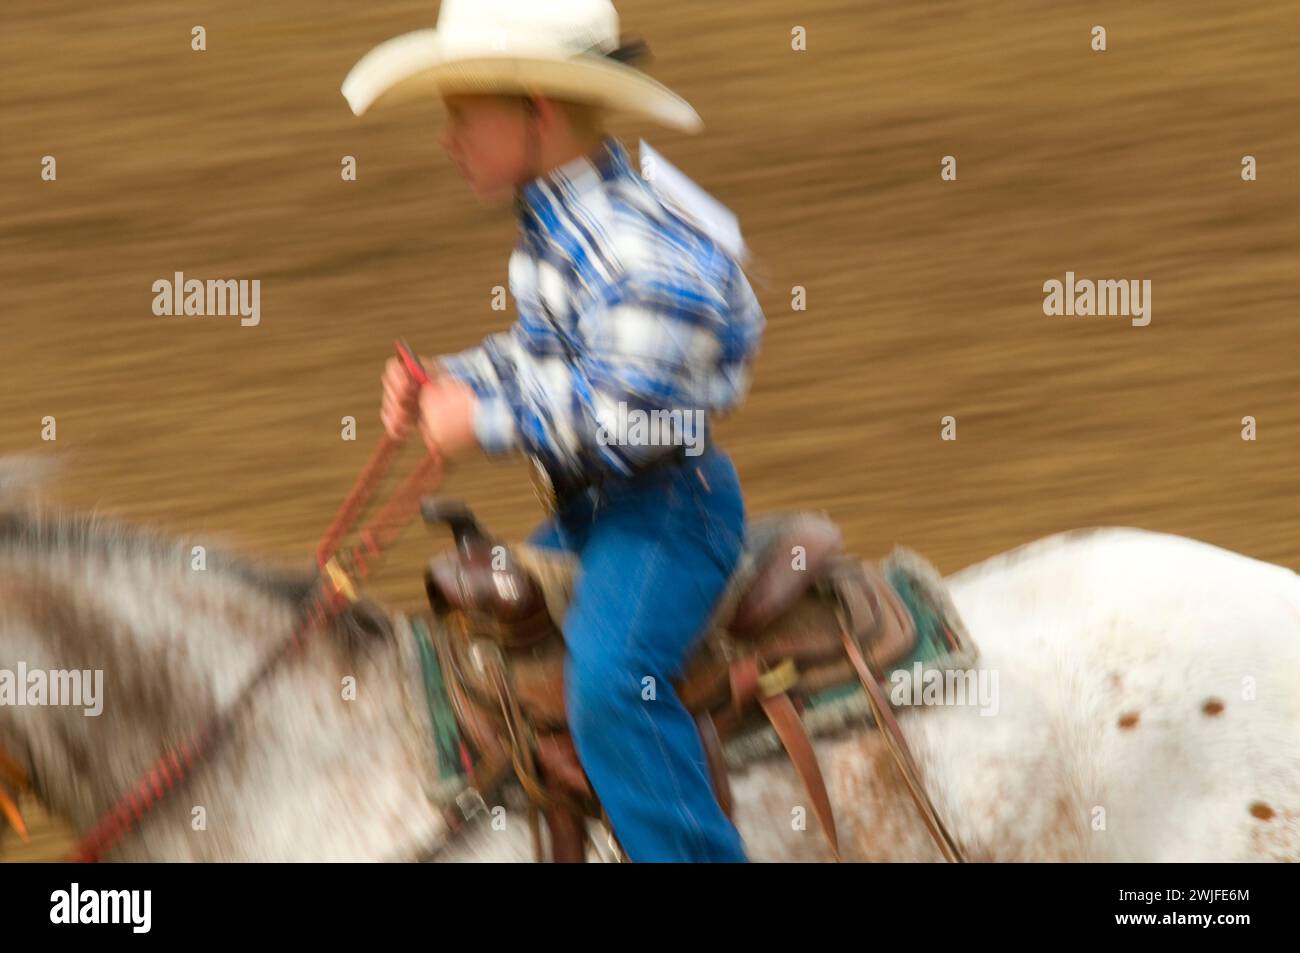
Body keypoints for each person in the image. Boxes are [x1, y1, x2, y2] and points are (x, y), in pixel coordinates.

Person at [346, 0, 764, 862]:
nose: (446, 139)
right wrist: (454, 380)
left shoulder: (639, 247)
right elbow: (546, 355)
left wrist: (482, 419)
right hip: (600, 516)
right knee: (488, 650)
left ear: (536, 107)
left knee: (612, 684)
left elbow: (632, 416)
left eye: (462, 116)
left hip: (665, 516)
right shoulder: (564, 225)